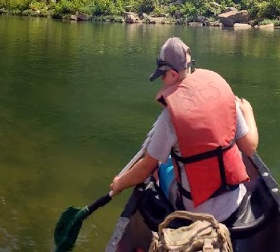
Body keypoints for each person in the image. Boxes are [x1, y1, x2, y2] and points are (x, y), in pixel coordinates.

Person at [109, 37, 260, 222]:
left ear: (172, 74)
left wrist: (119, 183)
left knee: (159, 166)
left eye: (162, 75)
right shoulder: (222, 93)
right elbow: (250, 147)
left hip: (196, 212)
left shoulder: (170, 118)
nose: (162, 81)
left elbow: (144, 169)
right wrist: (248, 111)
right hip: (235, 203)